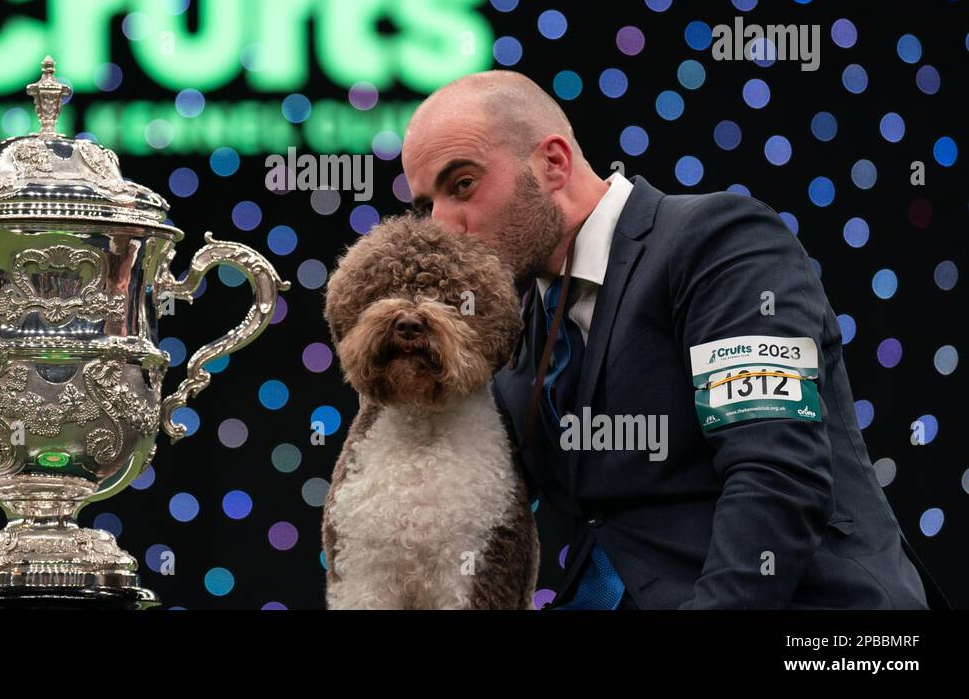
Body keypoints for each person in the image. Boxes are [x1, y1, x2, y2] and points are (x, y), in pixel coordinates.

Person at [399, 70, 942, 609]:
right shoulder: (517, 331)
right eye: (426, 207)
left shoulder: (719, 241)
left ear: (554, 163)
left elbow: (776, 473)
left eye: (462, 184)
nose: (441, 228)